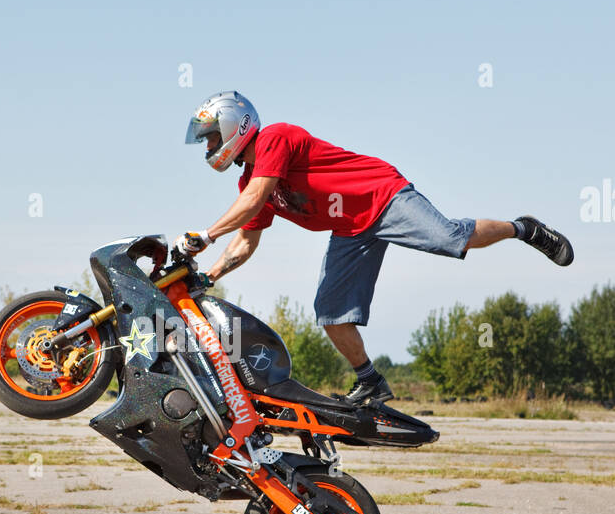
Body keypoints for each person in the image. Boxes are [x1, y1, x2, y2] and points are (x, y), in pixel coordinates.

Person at [177, 90, 574, 403]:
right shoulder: (247, 183)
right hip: (349, 229)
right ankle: (372, 382)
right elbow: (245, 240)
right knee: (331, 315)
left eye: (211, 136)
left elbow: (255, 198)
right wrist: (208, 275)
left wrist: (206, 235)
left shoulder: (275, 139)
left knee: (449, 238)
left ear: (234, 125)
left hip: (380, 197)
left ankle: (525, 229)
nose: (208, 146)